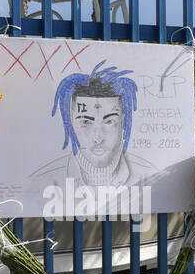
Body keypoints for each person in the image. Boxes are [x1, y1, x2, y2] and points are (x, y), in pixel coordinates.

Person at [32, 61, 156, 195]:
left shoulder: (150, 174)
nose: (98, 138)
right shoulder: (41, 181)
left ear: (124, 121)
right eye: (85, 121)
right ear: (70, 121)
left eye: (109, 121)